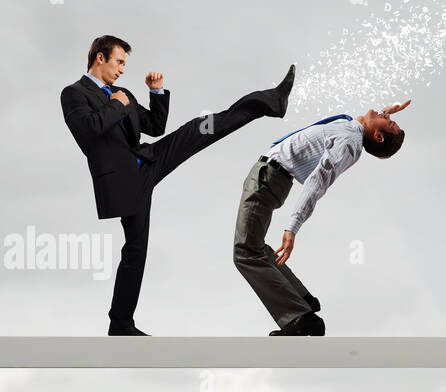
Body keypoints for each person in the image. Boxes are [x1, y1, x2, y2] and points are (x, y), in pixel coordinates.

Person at [61, 34, 296, 335]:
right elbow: (88, 129)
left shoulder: (122, 93)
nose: (122, 70)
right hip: (122, 182)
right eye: (119, 62)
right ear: (100, 58)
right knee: (135, 251)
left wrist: (156, 93)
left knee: (199, 127)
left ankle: (270, 102)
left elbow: (155, 127)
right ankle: (120, 323)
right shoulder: (73, 93)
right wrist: (117, 105)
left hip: (147, 161)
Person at [233, 101, 410, 335]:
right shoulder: (352, 129)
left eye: (390, 122)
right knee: (256, 247)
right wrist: (384, 116)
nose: (385, 115)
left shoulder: (349, 142)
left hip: (269, 177)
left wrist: (292, 226)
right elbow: (364, 121)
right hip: (269, 175)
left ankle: (299, 318)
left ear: (377, 135)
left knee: (245, 252)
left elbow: (319, 181)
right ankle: (302, 299)